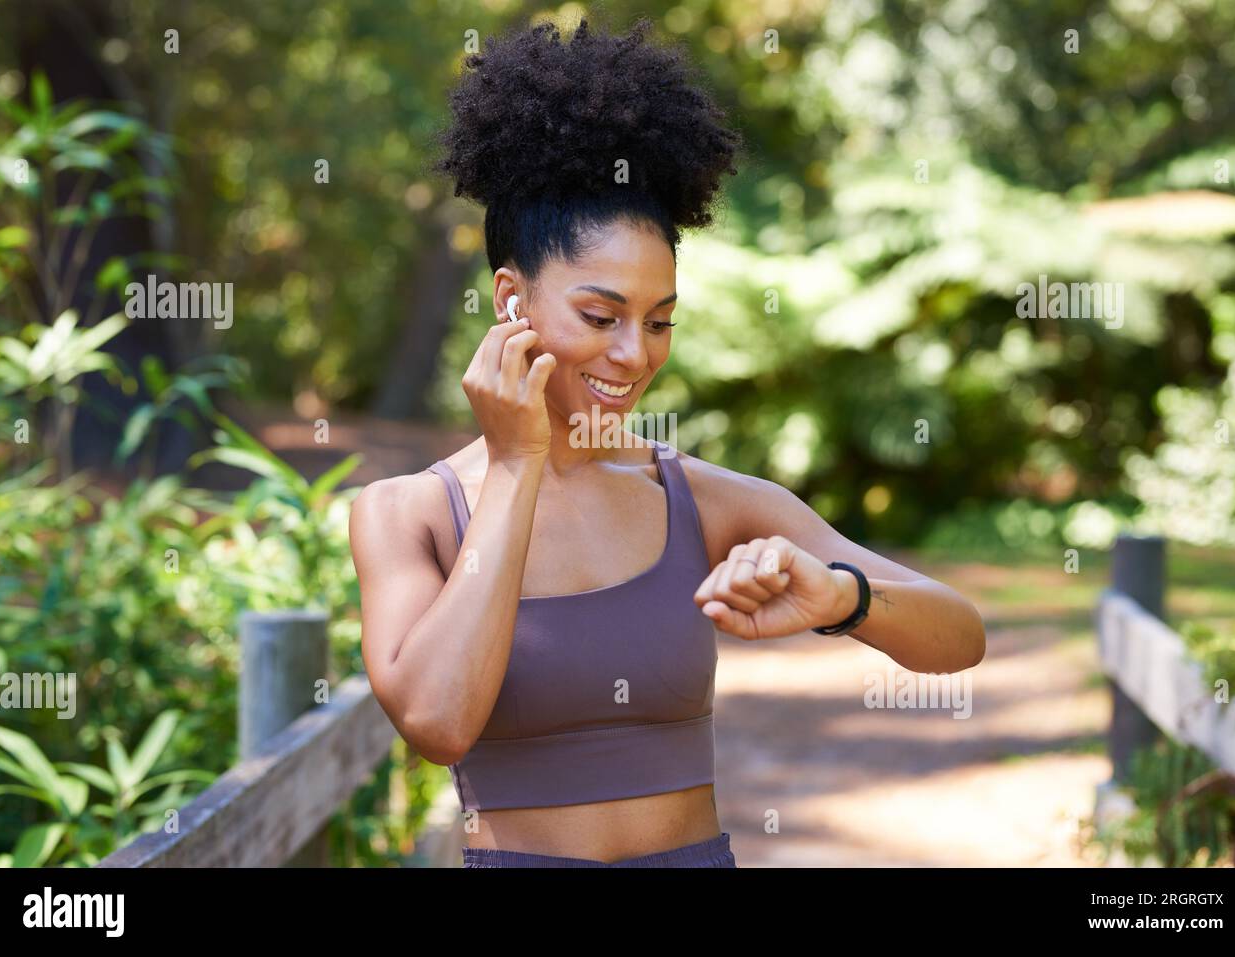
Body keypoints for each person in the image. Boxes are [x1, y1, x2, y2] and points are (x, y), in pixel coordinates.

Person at [350, 15, 986, 868]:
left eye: (659, 321)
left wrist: (842, 598)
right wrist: (515, 462)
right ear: (512, 301)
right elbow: (436, 720)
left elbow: (960, 635)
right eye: (600, 315)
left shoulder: (700, 498)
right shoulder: (409, 514)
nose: (633, 354)